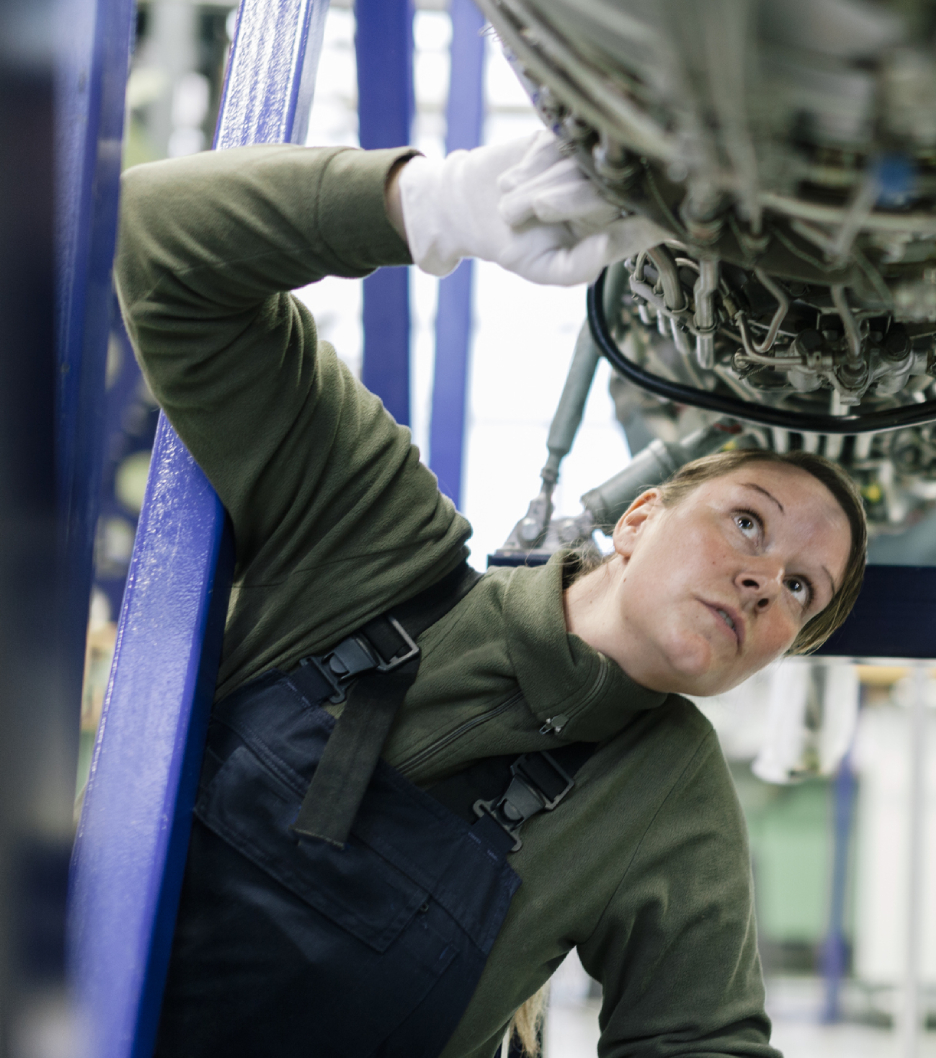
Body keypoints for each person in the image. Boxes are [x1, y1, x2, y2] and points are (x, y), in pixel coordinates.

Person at [113, 132, 868, 1058]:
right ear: (635, 520)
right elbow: (158, 243)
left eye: (802, 588)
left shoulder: (670, 796)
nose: (763, 580)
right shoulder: (372, 541)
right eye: (748, 521)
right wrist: (429, 205)